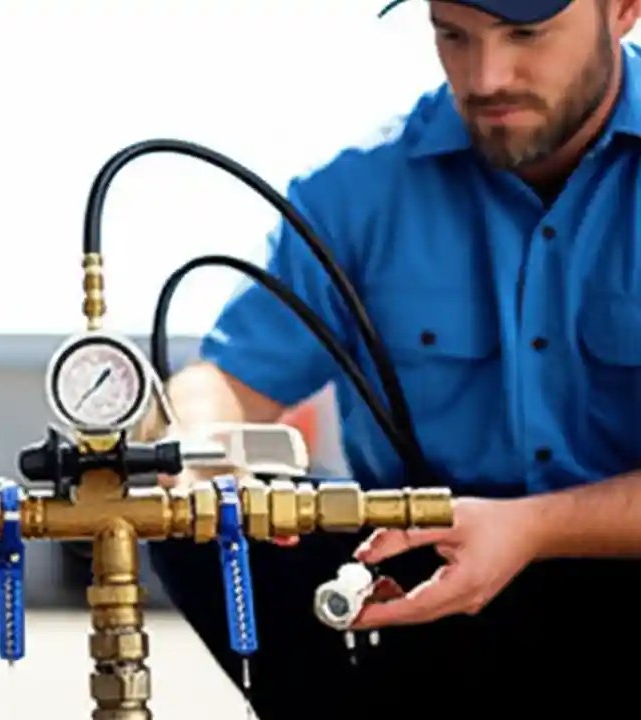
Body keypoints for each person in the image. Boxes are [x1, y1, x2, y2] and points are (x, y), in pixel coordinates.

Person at [139, 1, 641, 717]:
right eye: (453, 35)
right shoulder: (356, 191)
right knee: (193, 511)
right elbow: (225, 380)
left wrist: (533, 528)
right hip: (420, 588)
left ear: (622, 10)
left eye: (526, 34)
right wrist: (201, 454)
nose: (487, 77)